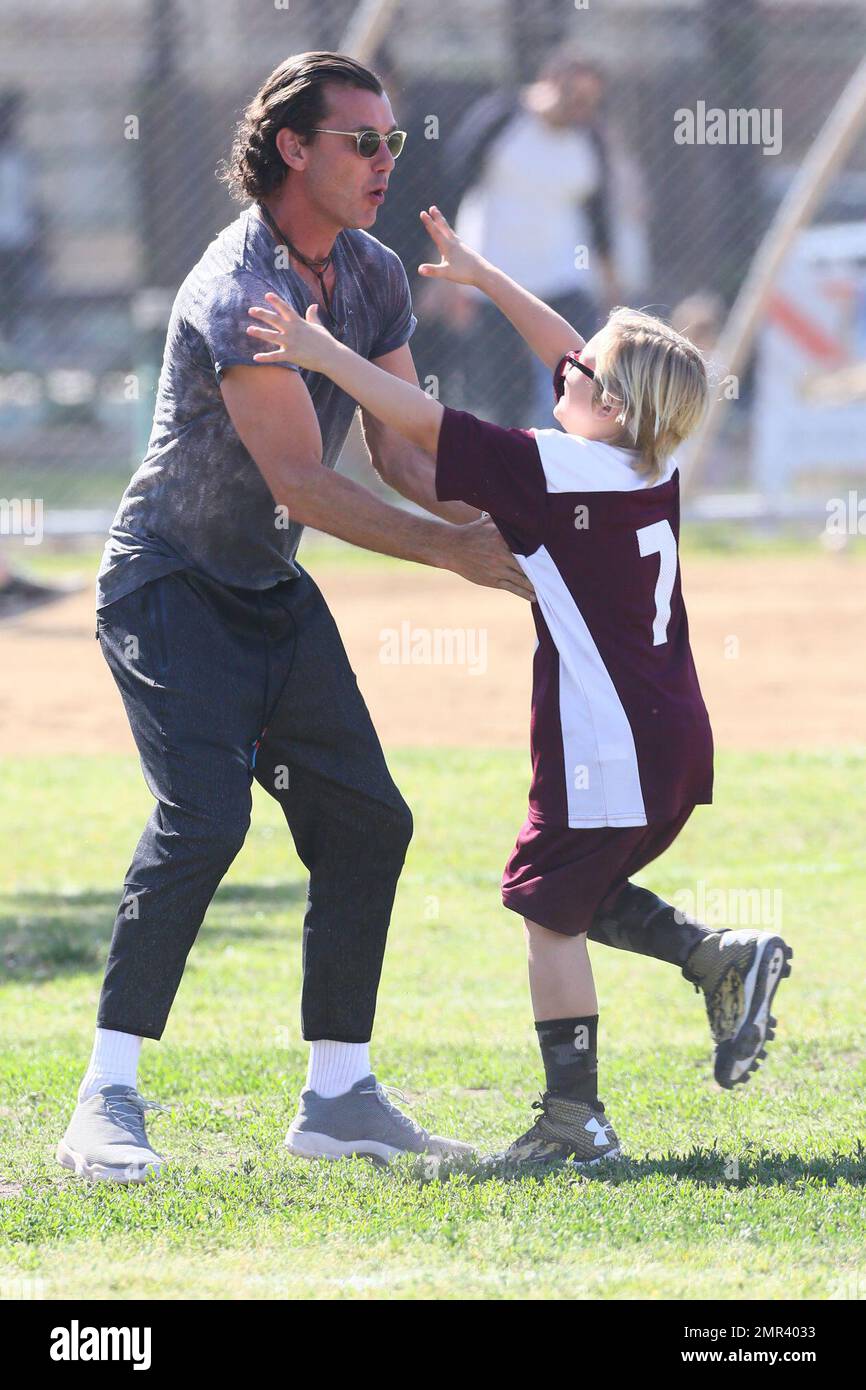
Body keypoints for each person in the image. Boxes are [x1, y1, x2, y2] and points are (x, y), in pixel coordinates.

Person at [56, 53, 535, 1185]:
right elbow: (303, 484)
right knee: (204, 820)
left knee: (368, 820)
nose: (384, 163)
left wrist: (523, 514)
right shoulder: (241, 285)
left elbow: (400, 450)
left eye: (391, 143)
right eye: (361, 143)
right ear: (293, 150)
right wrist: (454, 553)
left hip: (268, 591)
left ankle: (338, 1098)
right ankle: (104, 1096)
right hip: (167, 583)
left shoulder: (368, 274)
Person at [245, 205, 793, 1168]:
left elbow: (420, 419)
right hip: (666, 739)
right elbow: (582, 354)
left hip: (609, 743)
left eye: (582, 373)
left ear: (610, 405)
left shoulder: (558, 469)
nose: (564, 369)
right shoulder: (641, 460)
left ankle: (573, 1120)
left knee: (546, 912)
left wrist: (318, 351)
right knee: (574, 890)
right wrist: (486, 277)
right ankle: (719, 958)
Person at [441, 54, 620, 428]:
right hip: (497, 279)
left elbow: (599, 214)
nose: (581, 109)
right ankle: (515, 473)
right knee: (509, 394)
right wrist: (448, 268)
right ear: (550, 81)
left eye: (590, 102)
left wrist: (609, 278)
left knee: (579, 375)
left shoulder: (589, 138)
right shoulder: (501, 119)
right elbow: (453, 188)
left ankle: (569, 468)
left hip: (565, 278)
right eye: (575, 97)